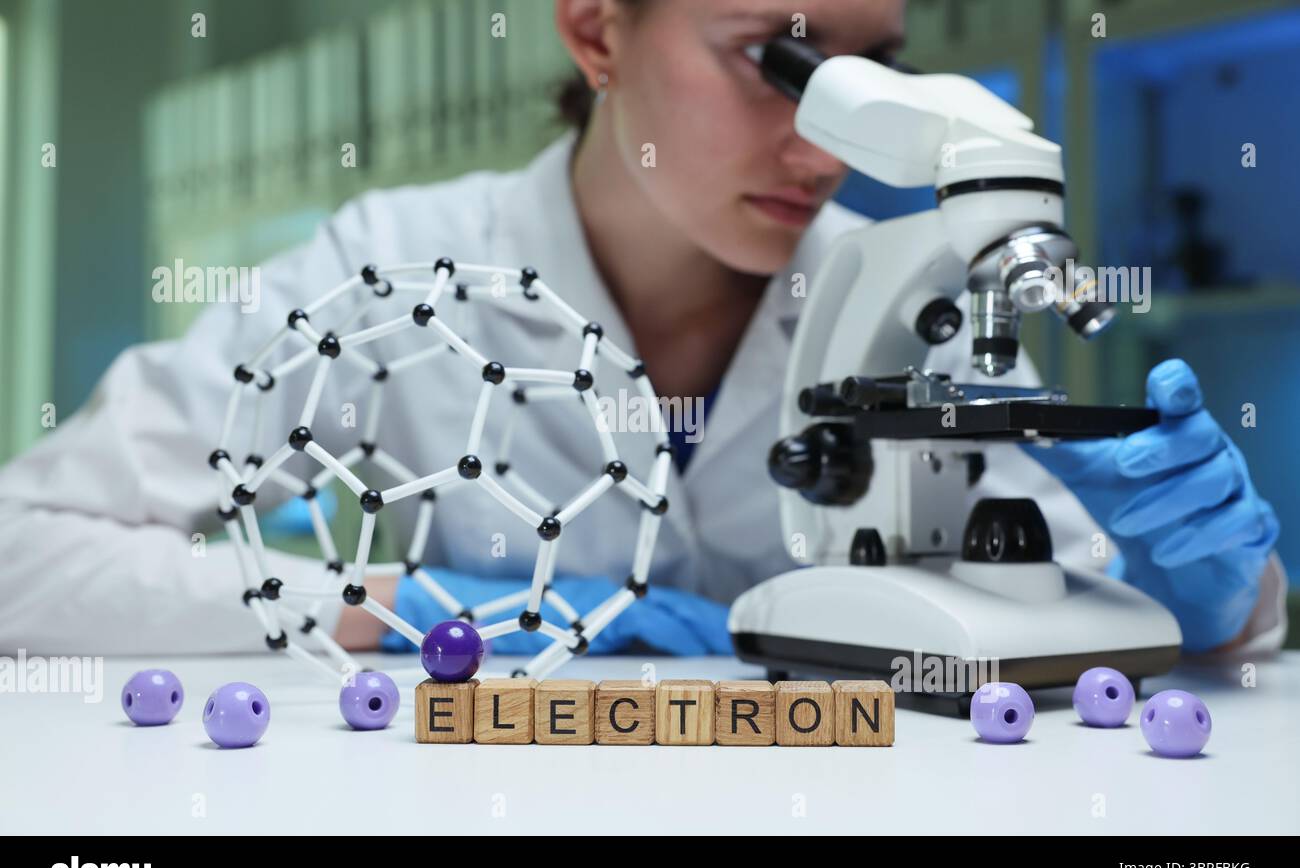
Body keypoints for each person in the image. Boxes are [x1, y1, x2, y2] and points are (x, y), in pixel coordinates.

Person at [0, 0, 1284, 662]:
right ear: (596, 29)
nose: (824, 139)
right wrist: (402, 604)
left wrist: (1212, 596)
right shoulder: (388, 267)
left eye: (874, 72)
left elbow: (1096, 599)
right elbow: (24, 556)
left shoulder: (902, 296)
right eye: (781, 63)